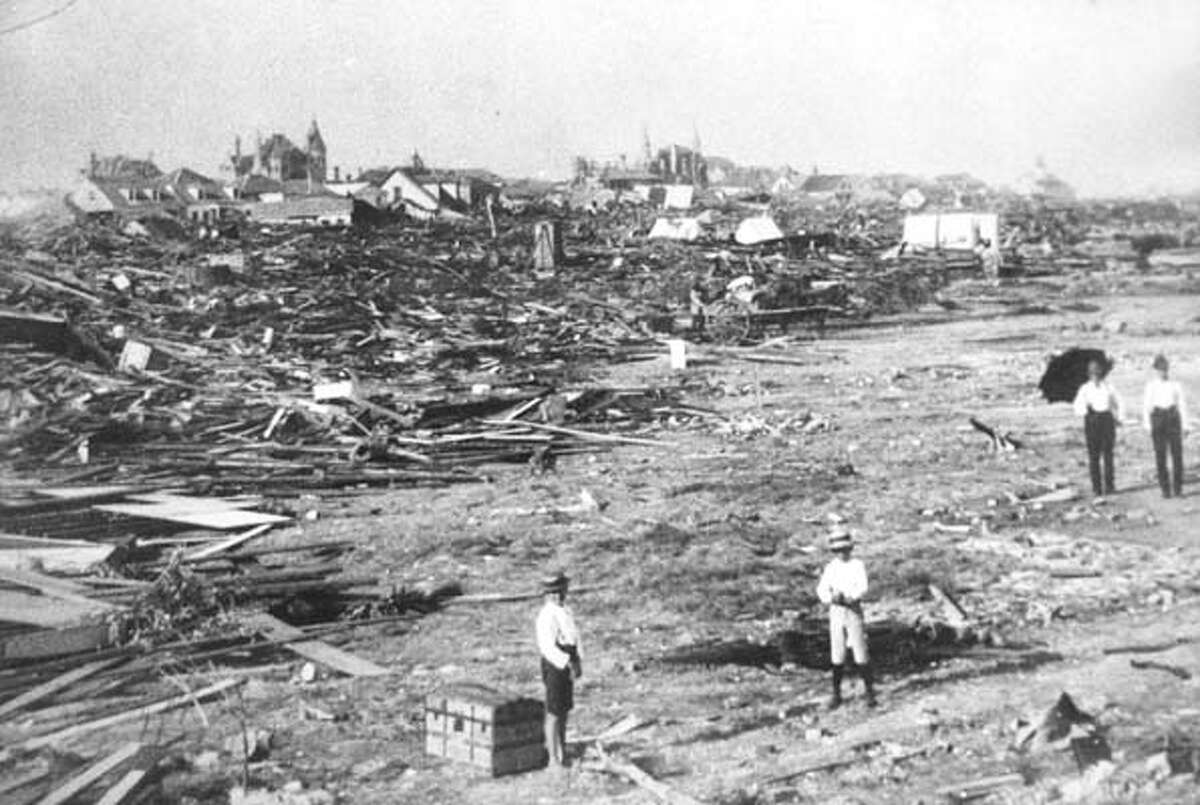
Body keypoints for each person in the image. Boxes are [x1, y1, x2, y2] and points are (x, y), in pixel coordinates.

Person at [815, 528, 877, 709]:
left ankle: (870, 693)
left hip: (853, 609)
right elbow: (821, 589)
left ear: (850, 548)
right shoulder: (831, 567)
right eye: (838, 550)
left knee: (860, 650)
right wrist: (830, 598)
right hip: (837, 611)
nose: (842, 553)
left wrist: (853, 596)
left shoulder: (857, 565)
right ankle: (836, 694)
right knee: (837, 653)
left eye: (845, 549)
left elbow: (863, 586)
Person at [536, 572, 582, 767]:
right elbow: (547, 647)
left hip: (568, 660)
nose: (557, 596)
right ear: (546, 595)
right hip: (555, 663)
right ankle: (553, 759)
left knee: (564, 710)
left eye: (560, 591)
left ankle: (562, 750)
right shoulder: (546, 615)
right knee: (553, 712)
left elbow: (575, 637)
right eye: (553, 593)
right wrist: (566, 662)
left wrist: (578, 660)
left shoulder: (566, 611)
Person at [1073, 358, 1122, 497]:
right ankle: (1097, 487)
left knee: (1108, 454)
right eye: (1093, 373)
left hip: (1107, 420)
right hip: (1092, 421)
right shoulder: (1085, 389)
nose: (1095, 376)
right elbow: (1077, 406)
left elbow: (1119, 402)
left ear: (1101, 374)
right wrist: (1086, 411)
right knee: (1094, 456)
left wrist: (1119, 418)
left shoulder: (1109, 387)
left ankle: (1110, 485)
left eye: (1098, 373)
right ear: (1089, 374)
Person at [1143, 354, 1187, 497]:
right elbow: (1146, 406)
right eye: (1160, 369)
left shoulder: (1175, 385)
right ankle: (1165, 489)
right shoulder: (1151, 386)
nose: (1163, 372)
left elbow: (1182, 405)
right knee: (1160, 455)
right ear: (1156, 370)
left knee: (1177, 455)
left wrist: (1185, 426)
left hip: (1173, 419)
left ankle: (1178, 489)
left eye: (1165, 369)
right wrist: (1148, 426)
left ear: (1168, 369)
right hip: (1158, 419)